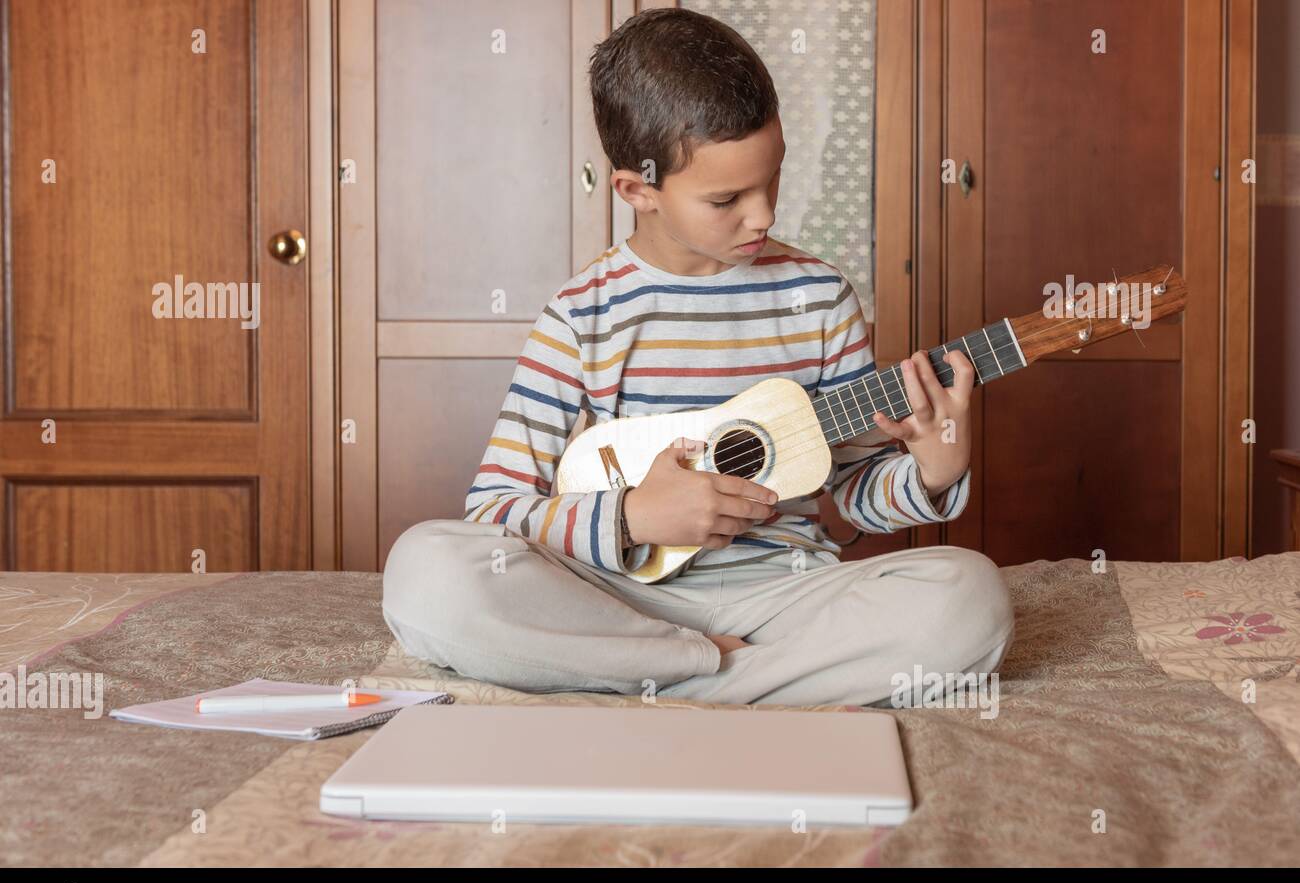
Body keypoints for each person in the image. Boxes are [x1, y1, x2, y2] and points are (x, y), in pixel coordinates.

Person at [382, 7, 1014, 707]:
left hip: (783, 592)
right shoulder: (581, 315)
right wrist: (633, 518)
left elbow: (854, 493)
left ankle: (667, 682)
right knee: (424, 571)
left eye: (772, 179)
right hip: (615, 601)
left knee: (970, 598)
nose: (764, 215)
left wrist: (932, 470)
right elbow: (494, 512)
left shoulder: (821, 296)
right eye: (726, 198)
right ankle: (687, 662)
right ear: (637, 190)